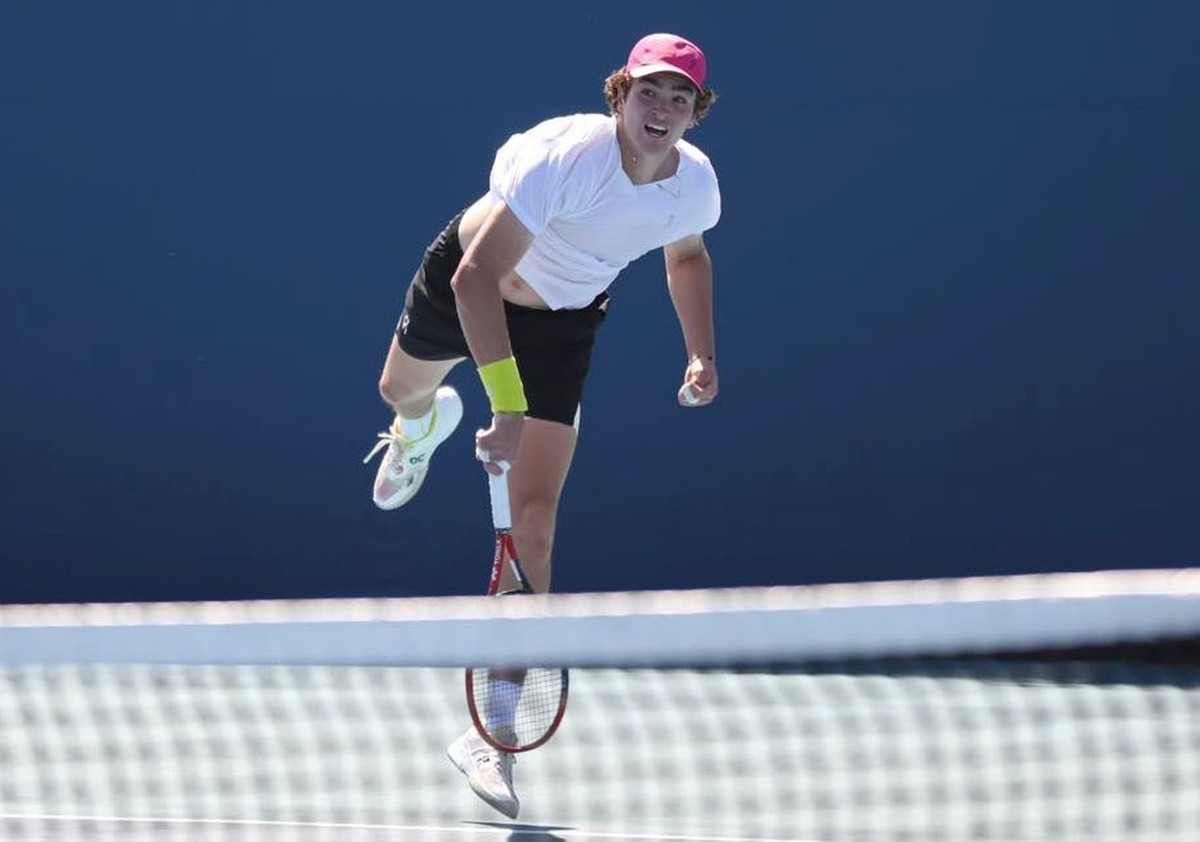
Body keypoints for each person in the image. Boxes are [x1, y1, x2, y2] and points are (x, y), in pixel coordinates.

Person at [363, 32, 722, 819]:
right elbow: (474, 277)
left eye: (680, 97)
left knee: (537, 524)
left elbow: (686, 257)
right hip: (470, 289)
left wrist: (701, 356)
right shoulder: (563, 158)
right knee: (401, 391)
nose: (661, 108)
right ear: (619, 93)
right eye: (649, 91)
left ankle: (493, 732)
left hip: (562, 325)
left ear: (697, 113)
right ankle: (420, 430)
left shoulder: (692, 187)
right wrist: (504, 406)